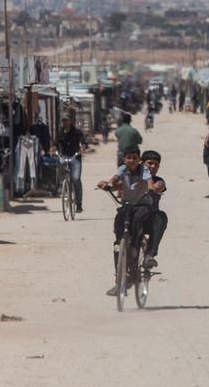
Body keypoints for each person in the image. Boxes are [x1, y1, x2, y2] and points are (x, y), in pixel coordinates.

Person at [96, 145, 152, 295]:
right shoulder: (123, 169)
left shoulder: (143, 170)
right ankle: (119, 278)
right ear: (124, 159)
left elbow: (149, 181)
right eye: (128, 158)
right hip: (127, 204)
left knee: (137, 218)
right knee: (119, 222)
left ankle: (134, 247)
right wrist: (108, 185)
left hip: (142, 205)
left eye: (134, 158)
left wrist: (151, 188)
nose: (131, 160)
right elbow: (115, 178)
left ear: (139, 159)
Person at [140, 150, 167, 268]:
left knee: (161, 216)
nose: (153, 167)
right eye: (150, 163)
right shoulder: (134, 178)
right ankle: (119, 279)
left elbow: (161, 185)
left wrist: (155, 188)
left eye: (156, 165)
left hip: (148, 220)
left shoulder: (157, 180)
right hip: (131, 217)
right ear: (141, 163)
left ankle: (149, 254)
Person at [54, 114, 87, 213]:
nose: (65, 122)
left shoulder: (77, 132)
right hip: (64, 156)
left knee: (76, 179)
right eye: (63, 120)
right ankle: (61, 184)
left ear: (71, 120)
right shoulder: (59, 133)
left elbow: (84, 143)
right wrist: (53, 148)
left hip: (75, 157)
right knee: (59, 164)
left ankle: (79, 204)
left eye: (67, 120)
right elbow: (55, 143)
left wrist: (82, 148)